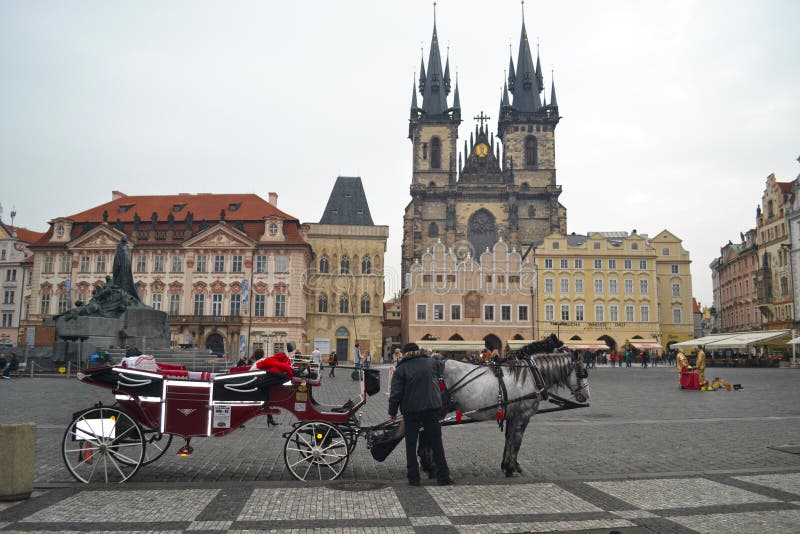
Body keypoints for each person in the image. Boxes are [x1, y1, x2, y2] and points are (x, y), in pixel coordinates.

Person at [388, 343, 452, 487]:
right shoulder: (432, 363)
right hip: (432, 409)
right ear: (418, 351)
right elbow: (441, 366)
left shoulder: (402, 368)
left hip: (411, 411)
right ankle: (443, 476)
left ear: (405, 353)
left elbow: (396, 393)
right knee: (437, 443)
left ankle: (414, 478)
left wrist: (392, 411)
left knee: (411, 445)